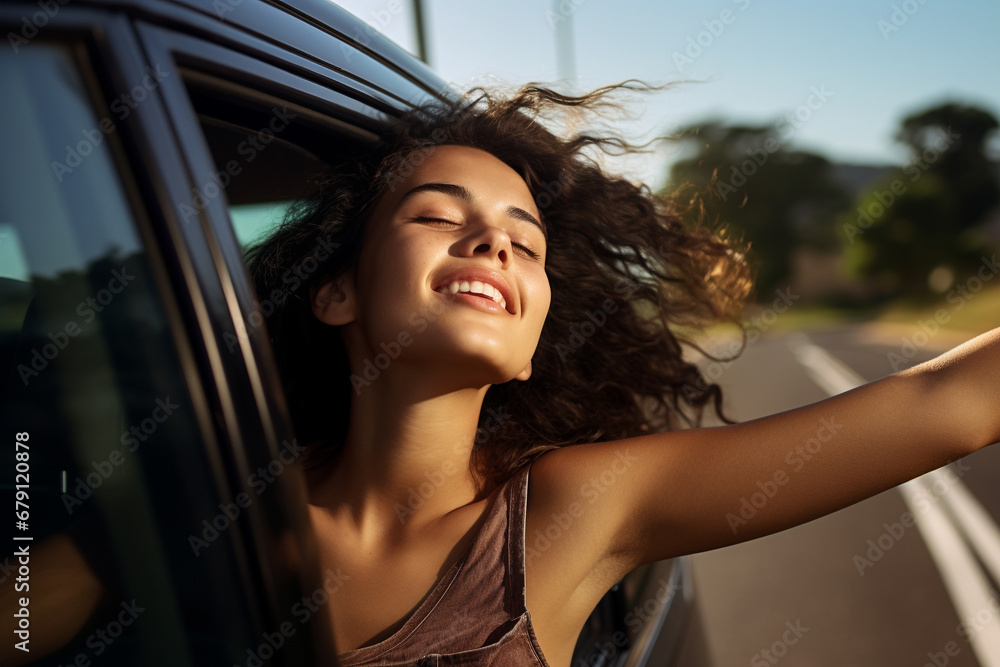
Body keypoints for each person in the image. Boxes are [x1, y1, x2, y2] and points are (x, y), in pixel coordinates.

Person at [245, 81, 1000, 667]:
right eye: (439, 216)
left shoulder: (573, 511)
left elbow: (949, 402)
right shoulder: (222, 502)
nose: (495, 244)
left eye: (527, 245)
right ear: (336, 290)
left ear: (531, 347)